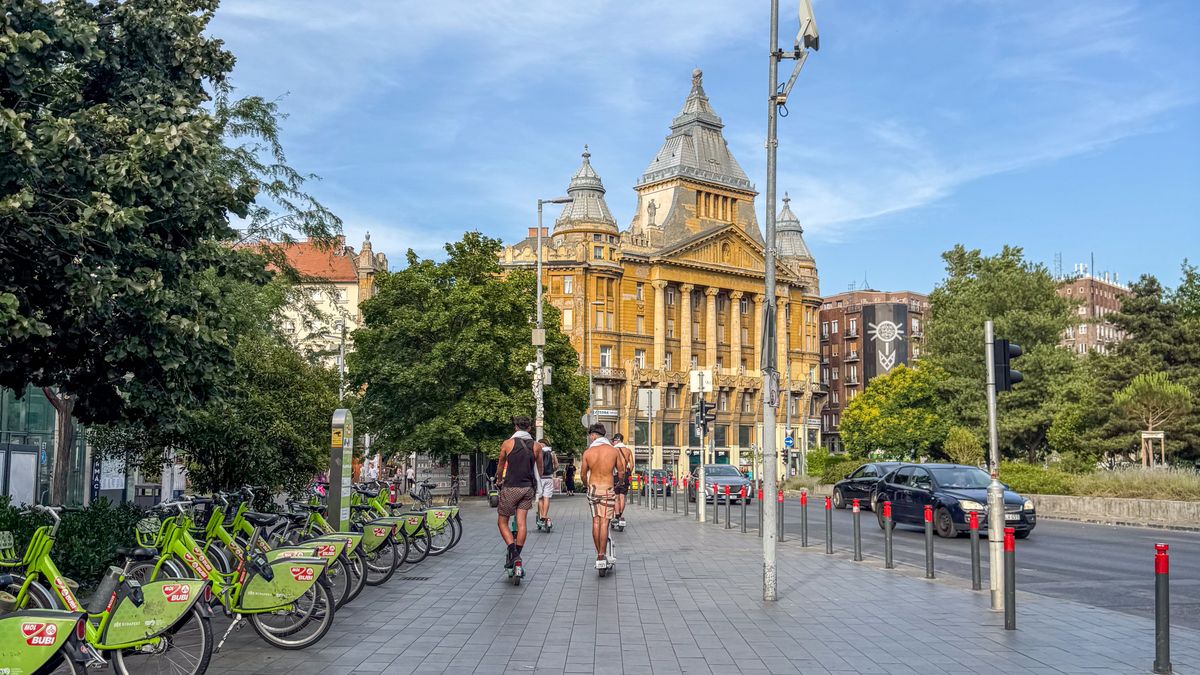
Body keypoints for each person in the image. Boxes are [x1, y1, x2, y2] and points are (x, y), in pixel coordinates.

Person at [496, 416, 542, 571]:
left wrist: (499, 480)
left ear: (515, 427)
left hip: (511, 487)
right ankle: (517, 558)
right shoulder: (537, 446)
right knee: (522, 523)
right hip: (528, 488)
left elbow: (500, 466)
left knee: (502, 522)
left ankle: (514, 554)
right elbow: (540, 470)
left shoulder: (507, 444)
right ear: (529, 428)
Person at [579, 423, 619, 570]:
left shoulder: (588, 453)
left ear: (593, 435)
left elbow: (583, 474)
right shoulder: (613, 451)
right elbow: (621, 471)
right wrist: (619, 482)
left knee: (596, 521)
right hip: (607, 489)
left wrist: (586, 485)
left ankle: (599, 555)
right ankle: (603, 554)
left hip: (593, 488)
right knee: (604, 523)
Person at [611, 432, 633, 527]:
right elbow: (632, 465)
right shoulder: (628, 451)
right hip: (626, 474)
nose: (613, 442)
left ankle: (616, 516)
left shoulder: (613, 450)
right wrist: (628, 473)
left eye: (614, 440)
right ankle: (620, 515)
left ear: (617, 440)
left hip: (616, 475)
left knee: (616, 497)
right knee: (622, 497)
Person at [535, 438, 558, 528]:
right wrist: (552, 470)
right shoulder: (552, 453)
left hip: (539, 478)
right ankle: (545, 515)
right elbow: (556, 465)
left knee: (540, 498)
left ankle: (542, 516)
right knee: (546, 497)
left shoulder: (537, 452)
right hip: (549, 478)